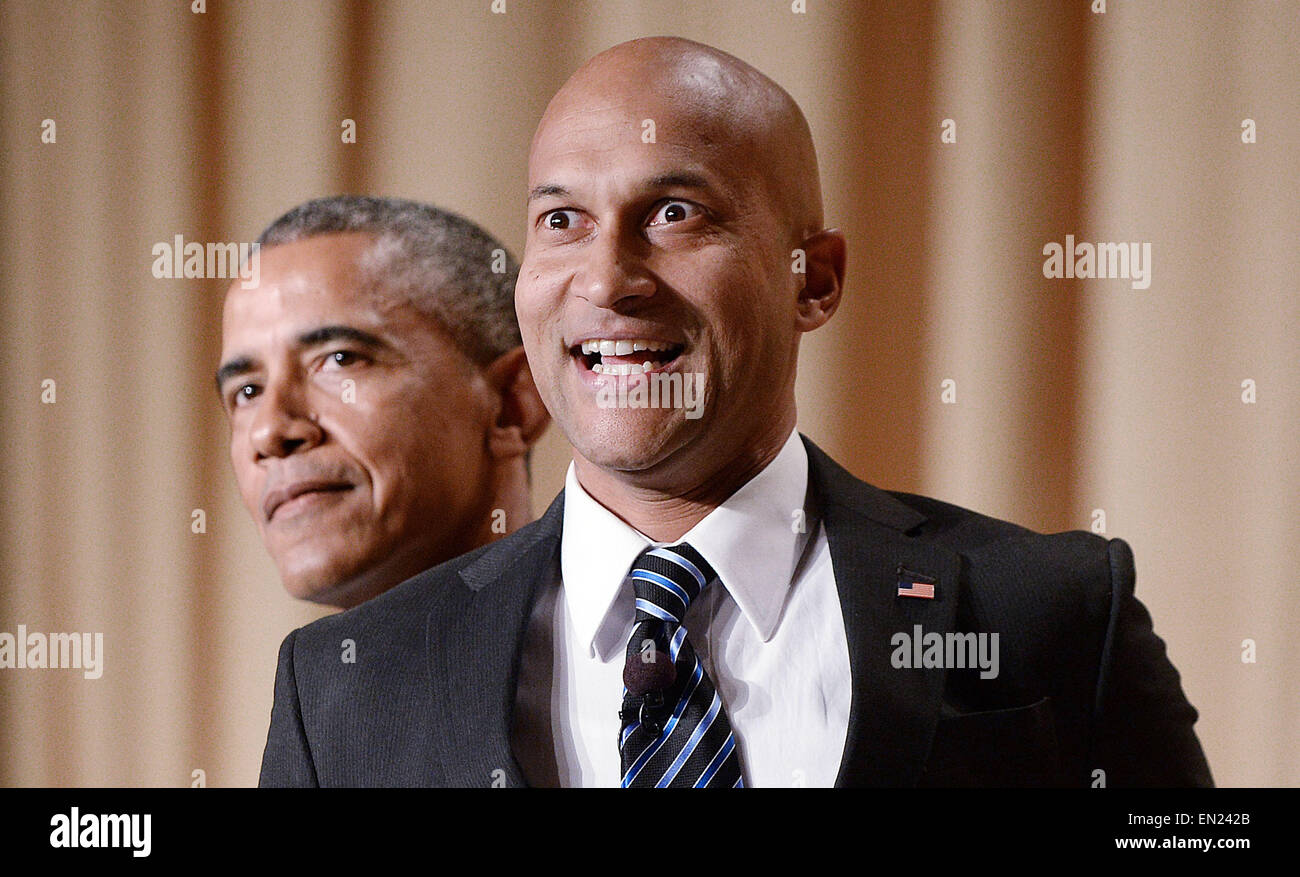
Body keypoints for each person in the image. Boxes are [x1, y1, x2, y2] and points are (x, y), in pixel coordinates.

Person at [258, 40, 1212, 787]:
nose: (607, 278)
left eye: (675, 213)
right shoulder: (344, 684)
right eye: (562, 220)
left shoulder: (1051, 612)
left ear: (816, 278)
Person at [218, 196, 548, 610]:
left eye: (340, 359)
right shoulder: (305, 674)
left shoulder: (634, 660)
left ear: (510, 404)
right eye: (248, 391)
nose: (270, 431)